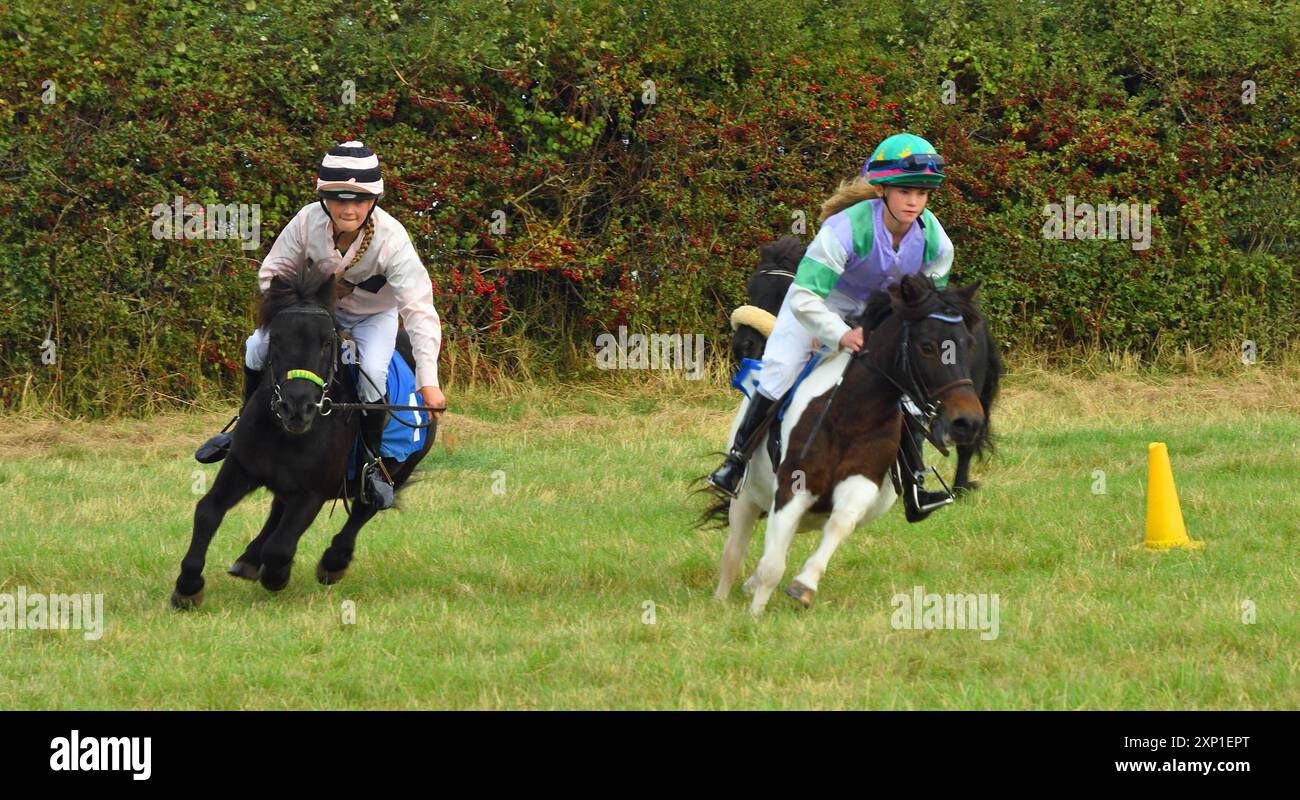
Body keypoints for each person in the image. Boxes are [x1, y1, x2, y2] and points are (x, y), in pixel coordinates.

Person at [708, 133, 955, 520]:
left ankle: (916, 486)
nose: (914, 202)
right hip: (815, 307)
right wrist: (840, 333)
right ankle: (736, 462)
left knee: (905, 386)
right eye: (906, 191)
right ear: (882, 189)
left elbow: (923, 304)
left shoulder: (936, 243)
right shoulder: (845, 229)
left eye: (923, 194)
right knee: (780, 370)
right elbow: (805, 295)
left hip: (878, 316)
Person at [195, 141, 445, 510]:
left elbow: (420, 309)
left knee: (373, 372)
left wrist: (428, 380)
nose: (348, 207)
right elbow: (272, 272)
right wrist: (297, 308)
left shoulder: (393, 240)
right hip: (312, 312)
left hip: (372, 317)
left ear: (374, 200)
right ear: (323, 197)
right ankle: (244, 432)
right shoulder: (305, 221)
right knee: (255, 347)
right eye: (338, 197)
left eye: (358, 199)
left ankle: (372, 465)